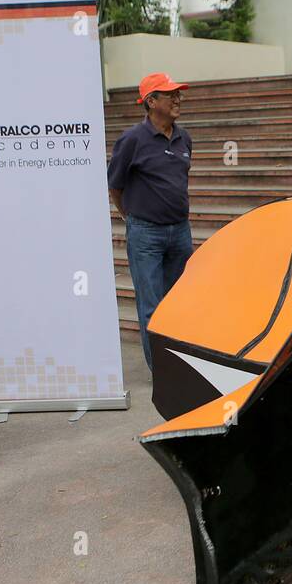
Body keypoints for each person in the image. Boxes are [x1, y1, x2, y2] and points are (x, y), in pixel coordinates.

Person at [107, 72, 194, 369]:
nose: (177, 99)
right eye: (170, 95)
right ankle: (161, 371)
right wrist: (131, 216)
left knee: (179, 303)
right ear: (151, 101)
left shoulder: (184, 138)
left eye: (178, 94)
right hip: (146, 234)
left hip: (180, 232)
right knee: (152, 307)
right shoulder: (132, 140)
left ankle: (181, 365)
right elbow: (115, 186)